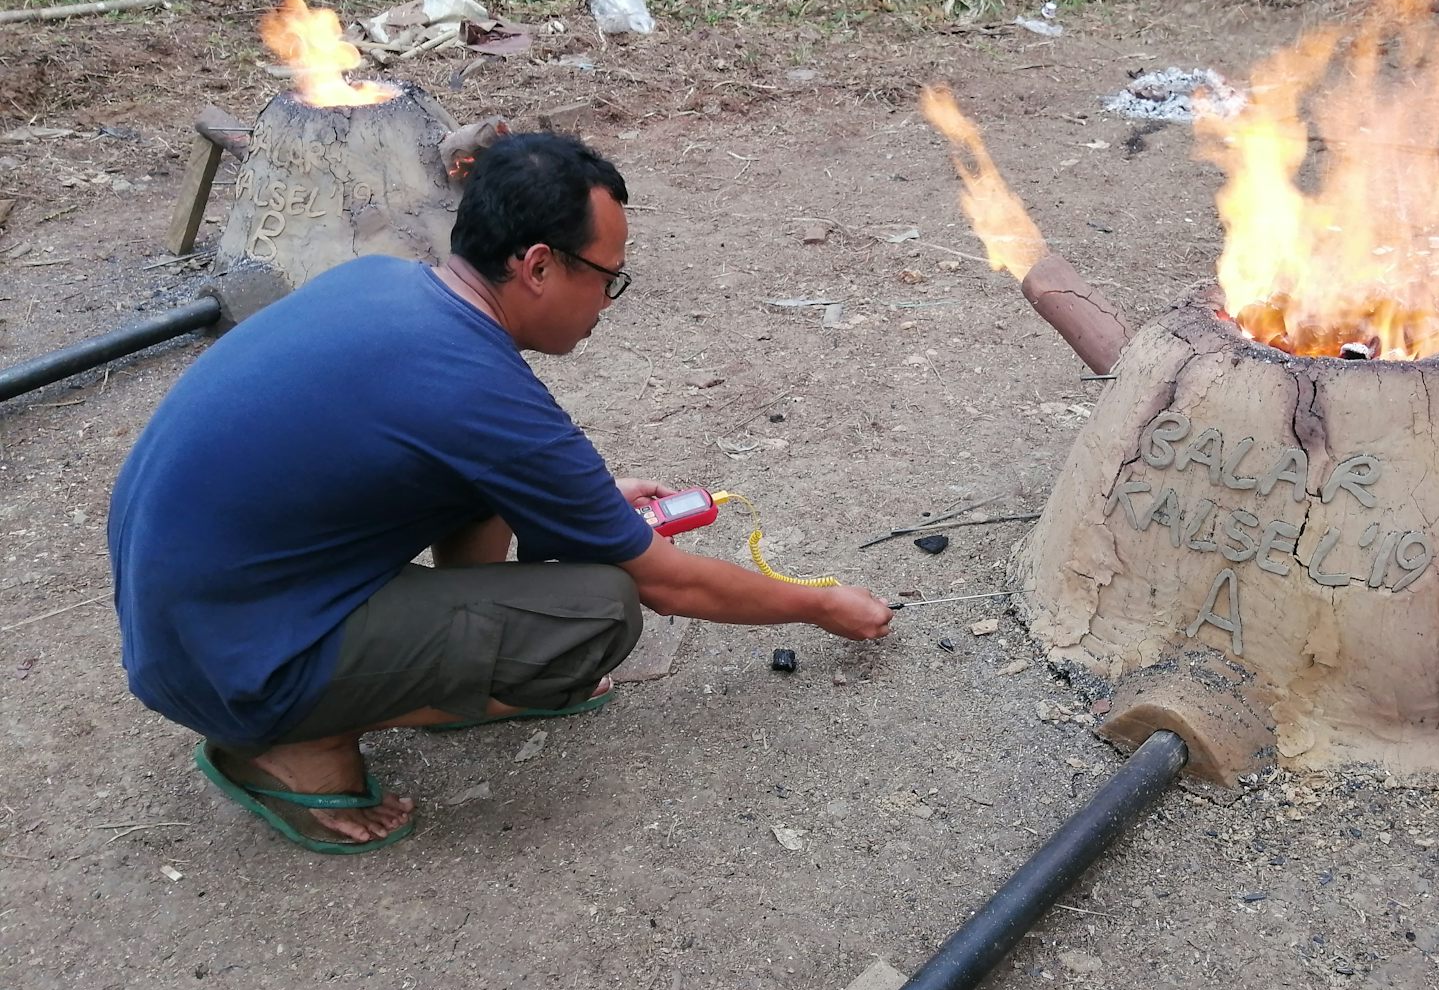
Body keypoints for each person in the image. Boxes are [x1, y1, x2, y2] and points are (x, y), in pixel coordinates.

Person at [108, 133, 892, 855]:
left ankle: (420, 671)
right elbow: (668, 583)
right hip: (237, 663)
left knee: (488, 495)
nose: (607, 304)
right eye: (607, 278)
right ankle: (286, 744)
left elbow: (457, 457)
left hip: (193, 616)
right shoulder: (476, 388)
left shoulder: (385, 284)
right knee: (600, 608)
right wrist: (823, 606)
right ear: (540, 266)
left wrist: (582, 496)